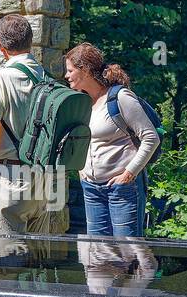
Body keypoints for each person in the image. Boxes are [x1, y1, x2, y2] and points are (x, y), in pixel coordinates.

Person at [0, 15, 59, 240]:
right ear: (31, 41)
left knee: (0, 263)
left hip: (7, 180)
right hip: (40, 182)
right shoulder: (45, 77)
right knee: (34, 266)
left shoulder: (0, 78)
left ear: (0, 46)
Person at [63, 43, 160, 237]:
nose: (66, 76)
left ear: (86, 70)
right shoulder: (81, 101)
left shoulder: (120, 97)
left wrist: (128, 174)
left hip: (122, 188)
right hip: (91, 188)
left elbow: (151, 137)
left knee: (126, 254)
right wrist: (82, 171)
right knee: (97, 254)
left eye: (70, 70)